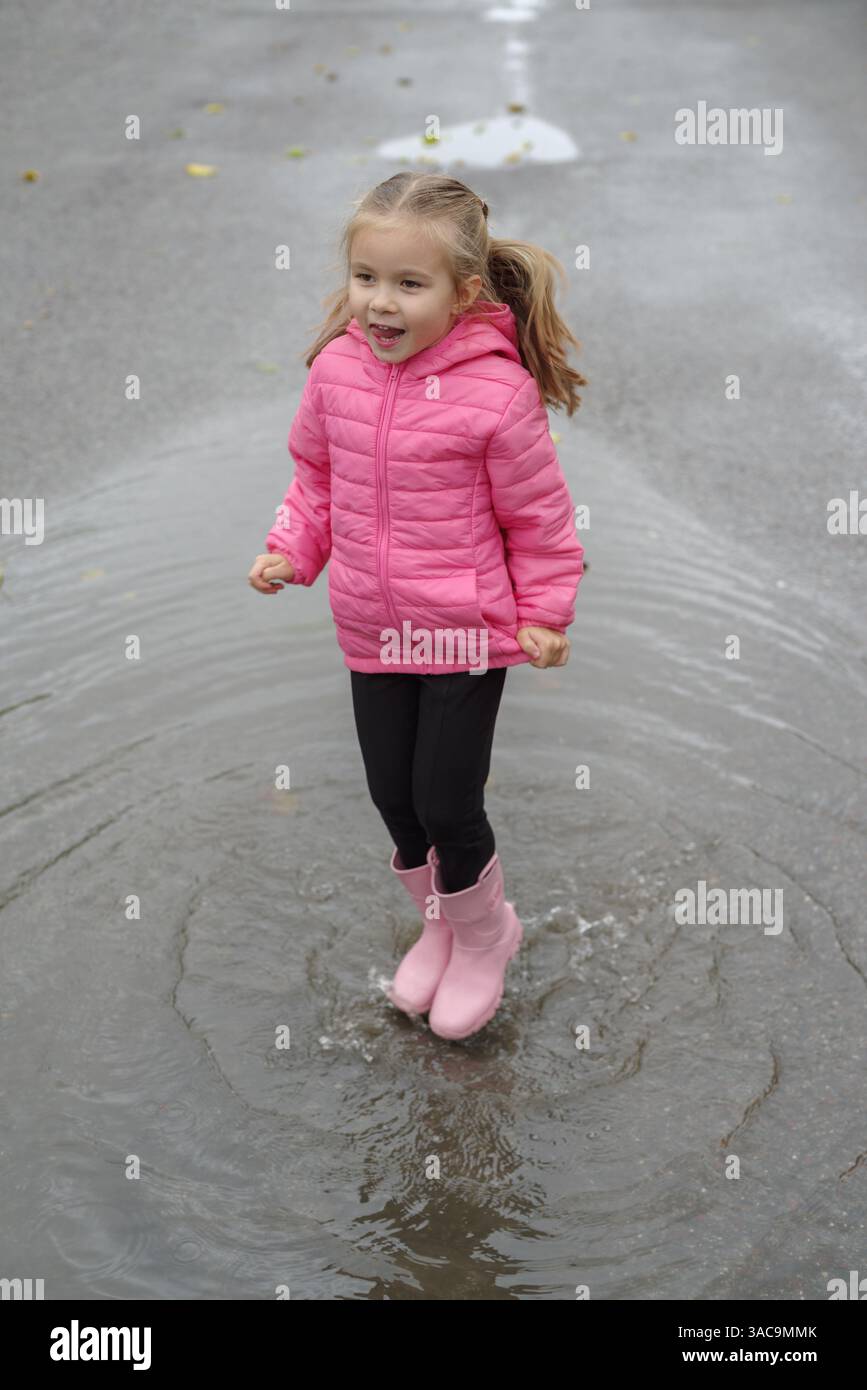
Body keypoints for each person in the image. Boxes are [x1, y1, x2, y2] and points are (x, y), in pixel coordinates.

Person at [248, 172, 587, 1041]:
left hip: (466, 631)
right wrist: (292, 548)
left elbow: (538, 517)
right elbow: (317, 479)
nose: (379, 303)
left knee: (446, 799)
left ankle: (485, 939)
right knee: (392, 797)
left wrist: (545, 612)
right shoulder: (335, 371)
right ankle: (440, 925)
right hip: (370, 625)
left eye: (408, 284)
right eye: (366, 277)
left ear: (463, 292)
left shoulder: (494, 392)